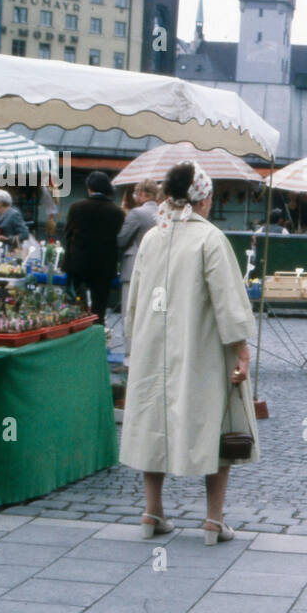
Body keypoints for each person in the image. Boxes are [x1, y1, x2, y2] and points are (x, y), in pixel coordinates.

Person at [121, 162, 259, 545]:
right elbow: (229, 303)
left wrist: (135, 340)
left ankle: (152, 511)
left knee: (152, 420)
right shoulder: (210, 239)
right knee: (215, 421)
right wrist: (241, 350)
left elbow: (133, 300)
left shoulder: (152, 237)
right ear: (204, 198)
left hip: (153, 346)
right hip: (201, 349)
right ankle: (213, 520)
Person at [62, 172, 125, 320]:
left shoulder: (76, 207)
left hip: (78, 262)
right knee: (99, 307)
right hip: (104, 264)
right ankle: (98, 333)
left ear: (89, 188)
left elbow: (68, 233)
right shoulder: (117, 212)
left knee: (77, 306)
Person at [116, 180, 159, 362]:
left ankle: (129, 358)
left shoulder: (136, 213)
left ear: (141, 193)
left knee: (129, 312)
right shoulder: (162, 213)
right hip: (155, 268)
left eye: (136, 193)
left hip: (133, 266)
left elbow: (121, 240)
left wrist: (124, 213)